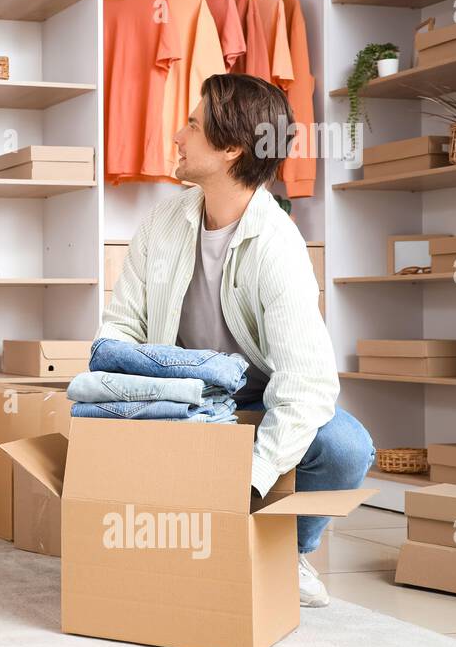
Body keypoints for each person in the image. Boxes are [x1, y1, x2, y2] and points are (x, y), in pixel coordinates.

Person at [98, 73, 374, 608]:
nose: (177, 135)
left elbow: (309, 385)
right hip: (178, 391)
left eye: (192, 126)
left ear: (230, 148)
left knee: (345, 447)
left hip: (253, 394)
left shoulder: (277, 244)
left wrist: (249, 482)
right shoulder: (162, 221)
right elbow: (119, 331)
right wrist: (129, 394)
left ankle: (288, 551)